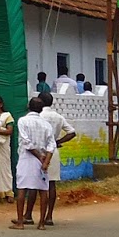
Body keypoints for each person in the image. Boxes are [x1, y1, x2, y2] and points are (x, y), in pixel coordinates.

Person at [11, 97, 56, 230]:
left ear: (28, 106)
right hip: (41, 162)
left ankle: (20, 221)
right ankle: (41, 223)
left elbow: (26, 142)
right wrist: (46, 161)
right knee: (43, 190)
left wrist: (39, 156)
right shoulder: (46, 124)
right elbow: (51, 145)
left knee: (22, 189)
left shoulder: (23, 121)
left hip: (27, 158)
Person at [38, 92, 76, 226]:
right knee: (51, 184)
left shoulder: (39, 116)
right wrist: (58, 141)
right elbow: (72, 132)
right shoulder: (58, 117)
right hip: (53, 151)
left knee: (34, 185)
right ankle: (49, 216)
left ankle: (29, 215)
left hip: (39, 151)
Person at [0, 96, 15, 204]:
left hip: (3, 145)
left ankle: (8, 192)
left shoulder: (7, 115)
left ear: (1, 105)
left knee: (5, 168)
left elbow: (10, 131)